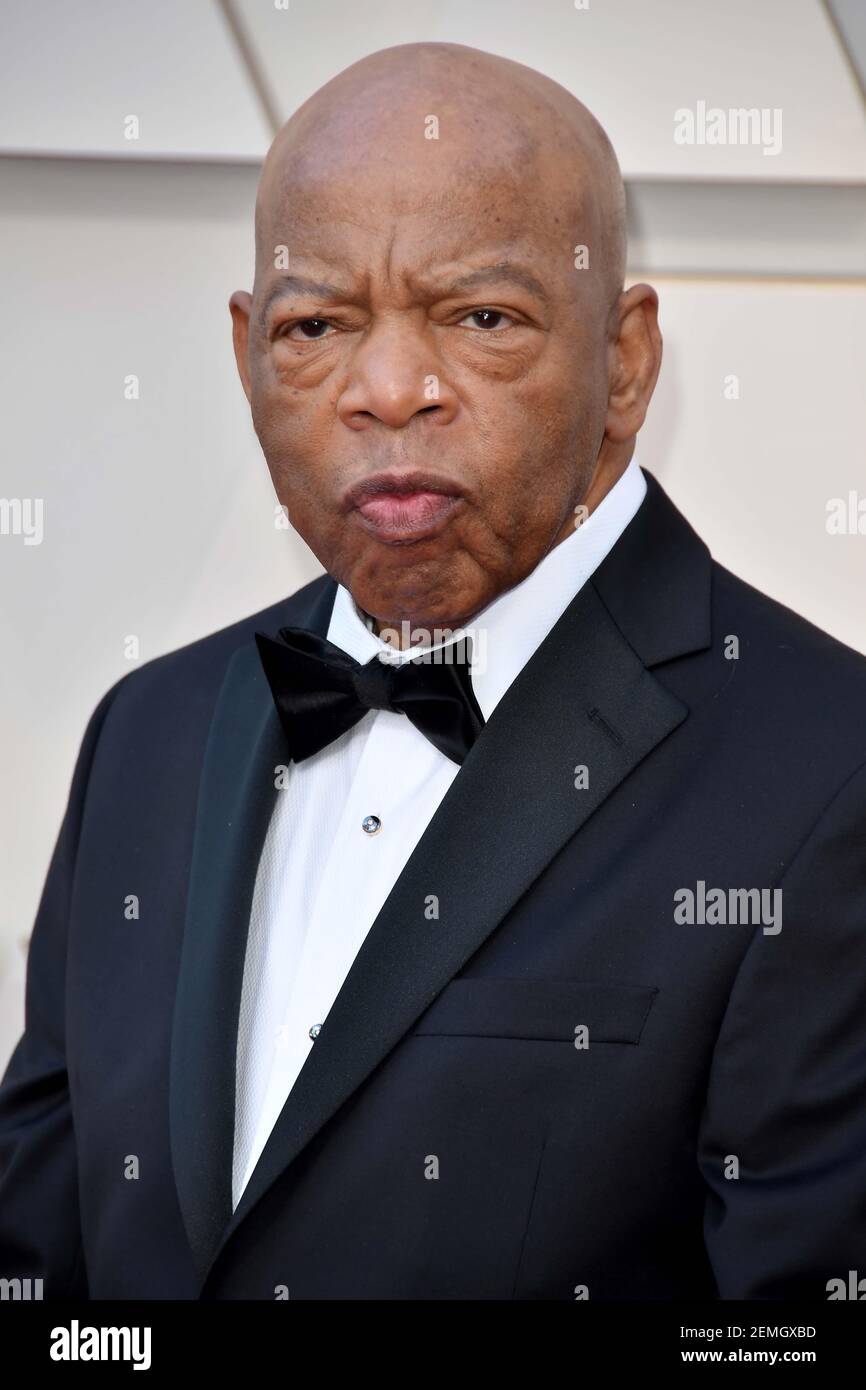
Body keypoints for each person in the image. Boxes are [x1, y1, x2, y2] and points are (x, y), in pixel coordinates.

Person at [1, 41, 865, 1301]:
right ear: (249, 356)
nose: (388, 389)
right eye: (316, 325)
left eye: (480, 317)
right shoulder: (149, 731)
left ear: (622, 364)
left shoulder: (826, 774)